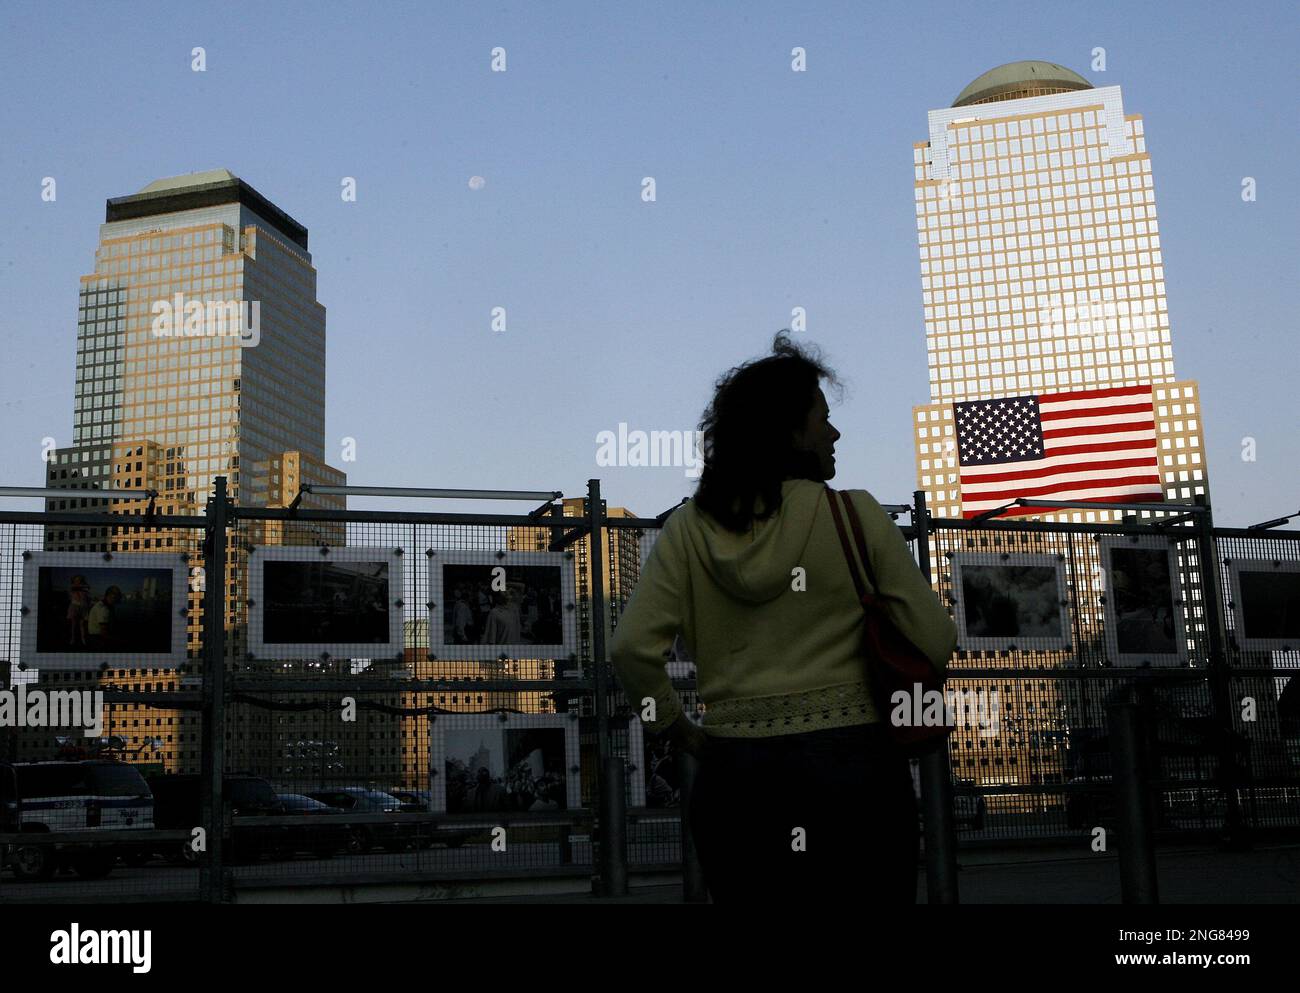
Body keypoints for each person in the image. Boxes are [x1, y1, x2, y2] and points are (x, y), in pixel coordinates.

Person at [610, 332, 958, 903]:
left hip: (735, 777)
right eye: (822, 417)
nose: (834, 431)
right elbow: (935, 640)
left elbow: (630, 650)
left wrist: (677, 728)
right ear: (790, 431)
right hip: (856, 771)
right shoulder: (856, 515)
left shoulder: (687, 530)